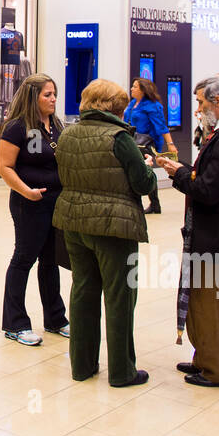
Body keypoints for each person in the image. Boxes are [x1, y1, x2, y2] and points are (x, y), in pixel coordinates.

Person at [54, 78, 157, 385]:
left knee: (82, 292)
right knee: (120, 298)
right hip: (115, 227)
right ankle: (122, 371)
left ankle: (82, 367)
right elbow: (143, 183)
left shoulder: (68, 133)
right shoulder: (120, 137)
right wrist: (147, 166)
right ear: (116, 108)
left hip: (74, 221)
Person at [155, 74, 219, 388]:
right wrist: (184, 171)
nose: (197, 109)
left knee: (213, 303)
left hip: (216, 233)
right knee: (200, 299)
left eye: (200, 102)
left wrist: (179, 172)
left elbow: (209, 189)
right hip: (205, 231)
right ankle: (205, 357)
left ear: (218, 102)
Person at [0, 74, 68, 347]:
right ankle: (15, 323)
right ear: (32, 97)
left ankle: (55, 318)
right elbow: (4, 167)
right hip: (29, 203)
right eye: (47, 95)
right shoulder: (17, 127)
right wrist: (26, 191)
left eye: (54, 94)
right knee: (24, 258)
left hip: (55, 202)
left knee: (50, 261)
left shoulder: (56, 126)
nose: (53, 99)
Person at [122, 78, 176, 214]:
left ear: (143, 90)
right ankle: (147, 203)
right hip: (131, 140)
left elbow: (161, 126)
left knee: (143, 171)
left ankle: (154, 203)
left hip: (144, 144)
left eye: (135, 87)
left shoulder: (152, 106)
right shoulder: (133, 103)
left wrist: (170, 144)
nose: (131, 89)